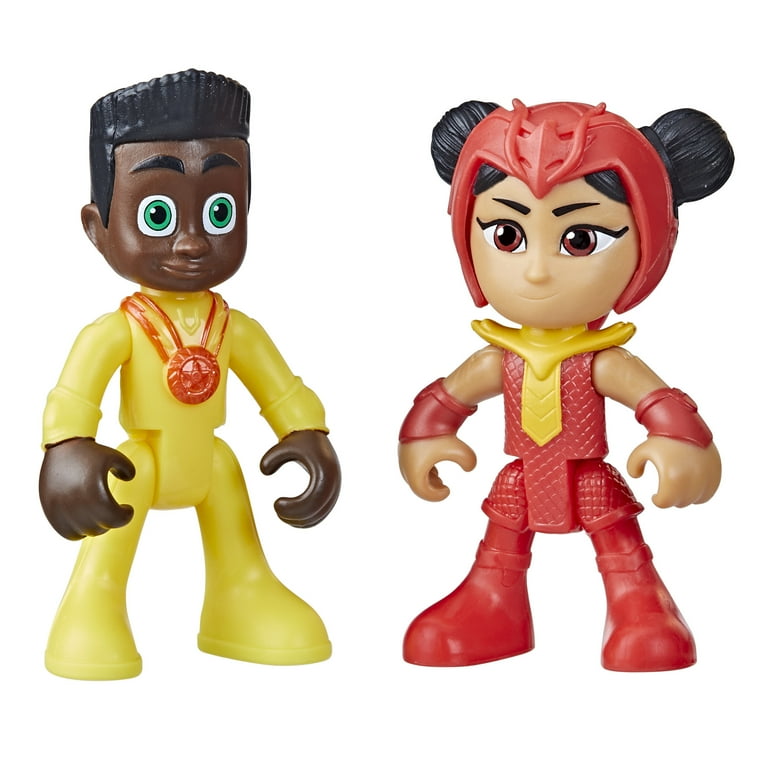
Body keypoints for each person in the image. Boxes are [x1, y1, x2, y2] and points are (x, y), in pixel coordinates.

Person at [398, 99, 733, 671]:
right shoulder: (498, 359)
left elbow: (657, 401)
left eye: (580, 239)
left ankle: (640, 605)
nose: (536, 271)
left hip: (587, 474)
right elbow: (449, 397)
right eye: (507, 234)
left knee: (616, 535)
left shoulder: (601, 361)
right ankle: (493, 605)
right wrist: (424, 435)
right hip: (524, 473)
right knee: (504, 526)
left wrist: (682, 443)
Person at [40, 70, 341, 680]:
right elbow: (73, 394)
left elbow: (280, 386)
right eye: (157, 215)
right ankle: (92, 603)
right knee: (112, 524)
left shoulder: (234, 328)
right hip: (137, 464)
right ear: (98, 228)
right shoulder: (116, 331)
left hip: (210, 459)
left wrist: (307, 432)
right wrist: (66, 448)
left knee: (231, 505)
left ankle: (241, 593)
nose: (192, 241)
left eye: (220, 212)